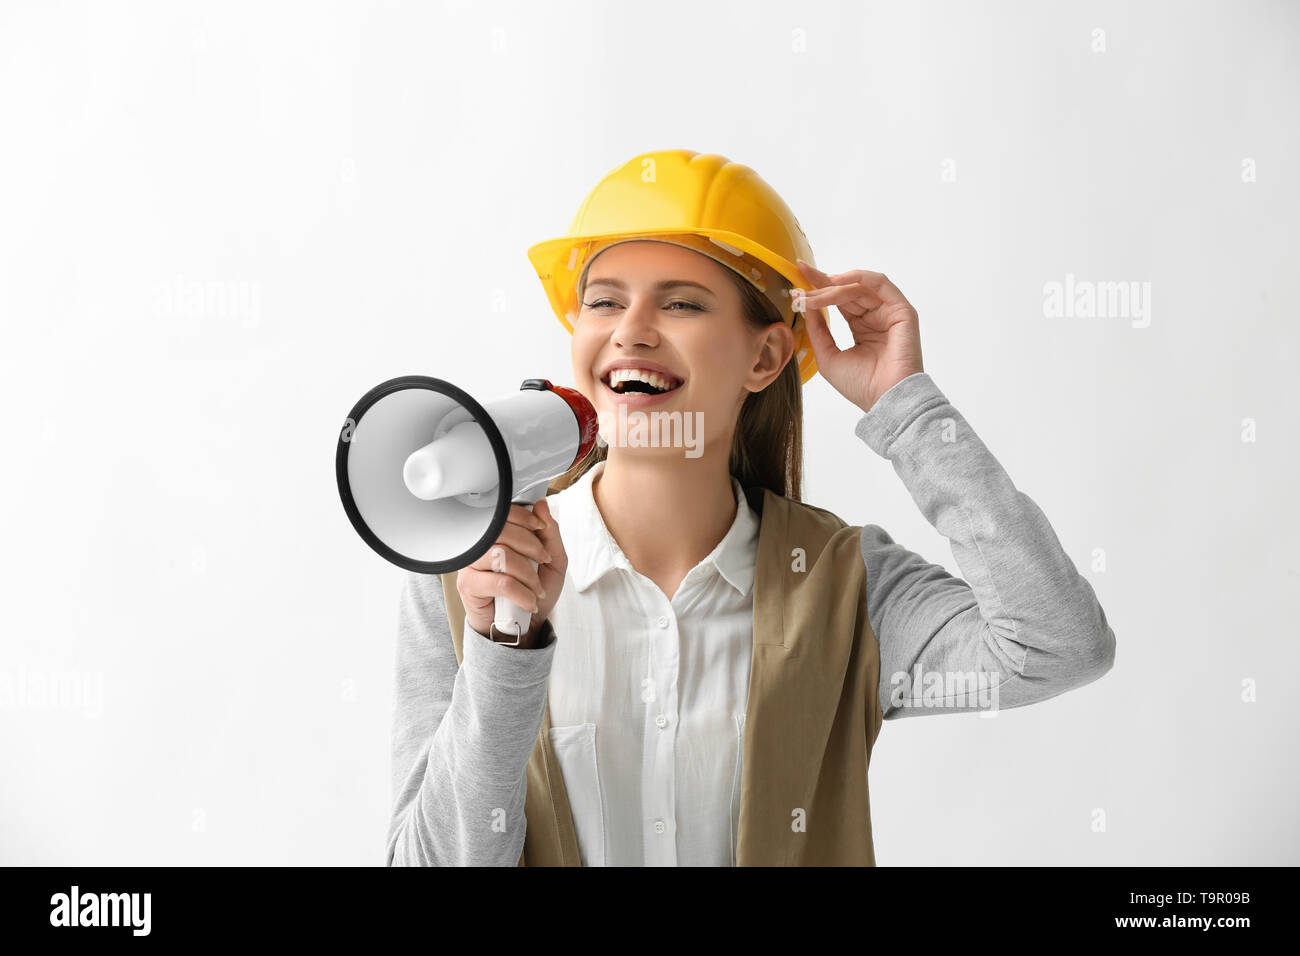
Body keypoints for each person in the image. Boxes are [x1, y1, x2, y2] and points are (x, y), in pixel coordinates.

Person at [387, 149, 1116, 866]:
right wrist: (502, 652)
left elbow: (1057, 646)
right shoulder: (466, 576)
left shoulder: (843, 588)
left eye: (680, 303)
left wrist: (906, 410)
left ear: (766, 359)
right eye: (605, 300)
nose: (631, 329)